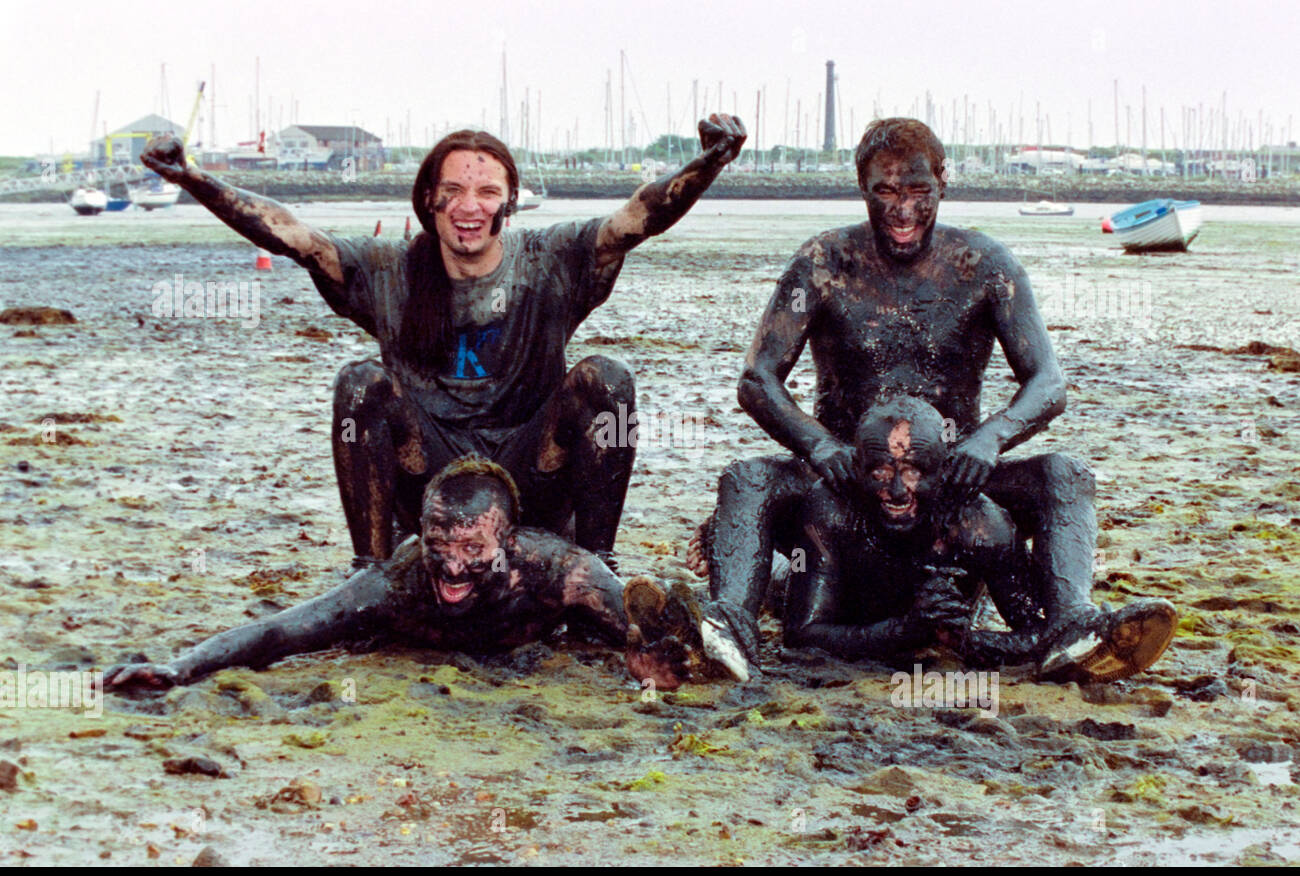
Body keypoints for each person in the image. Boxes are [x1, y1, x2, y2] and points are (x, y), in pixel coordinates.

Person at [139, 115, 747, 569]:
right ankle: (370, 574)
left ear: (508, 201)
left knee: (605, 379)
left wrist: (709, 162)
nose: (469, 206)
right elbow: (293, 237)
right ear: (428, 199)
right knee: (360, 385)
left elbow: (635, 219)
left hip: (530, 473)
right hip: (429, 477)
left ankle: (595, 565)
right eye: (453, 190)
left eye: (486, 192)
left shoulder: (550, 259)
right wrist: (193, 178)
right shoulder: (387, 268)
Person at [690, 116, 1176, 676]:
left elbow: (1049, 382)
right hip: (849, 475)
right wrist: (822, 448)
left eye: (918, 191)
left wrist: (991, 438)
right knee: (748, 479)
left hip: (951, 477)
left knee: (1065, 474)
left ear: (943, 182)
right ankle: (729, 627)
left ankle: (1072, 628)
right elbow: (757, 380)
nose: (902, 210)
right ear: (863, 188)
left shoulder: (985, 265)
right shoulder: (823, 264)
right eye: (887, 192)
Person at [106, 457, 627, 691]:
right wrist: (182, 668)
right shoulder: (393, 587)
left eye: (473, 548)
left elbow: (657, 628)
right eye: (438, 544)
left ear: (508, 543)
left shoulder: (564, 572)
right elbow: (283, 631)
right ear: (420, 534)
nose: (451, 565)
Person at [780, 395, 1175, 681]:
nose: (897, 491)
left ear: (944, 471)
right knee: (779, 576)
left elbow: (1040, 631)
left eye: (915, 472)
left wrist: (968, 642)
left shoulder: (981, 527)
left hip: (935, 609)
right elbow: (801, 635)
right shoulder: (830, 509)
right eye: (881, 474)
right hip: (831, 598)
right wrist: (902, 631)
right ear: (857, 468)